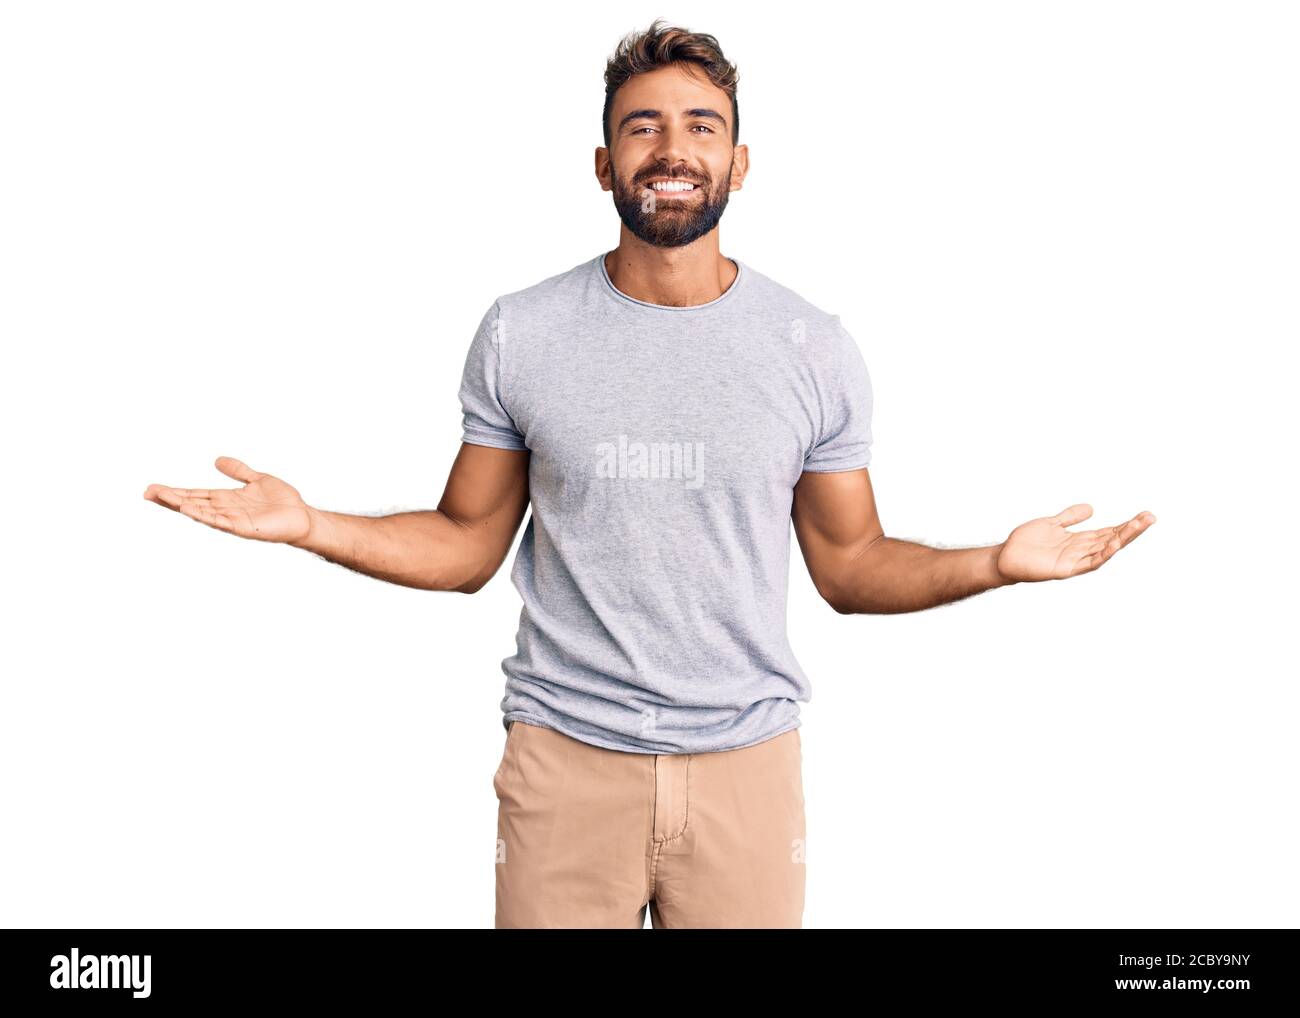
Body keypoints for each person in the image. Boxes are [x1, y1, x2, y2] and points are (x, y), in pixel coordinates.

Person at [143, 20, 1155, 929]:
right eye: (643, 128)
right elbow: (463, 547)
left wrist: (995, 562)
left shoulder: (812, 348)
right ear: (602, 162)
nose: (672, 150)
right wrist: (312, 522)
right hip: (563, 762)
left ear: (741, 161)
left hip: (749, 771)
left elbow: (849, 566)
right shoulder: (522, 332)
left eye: (701, 127)